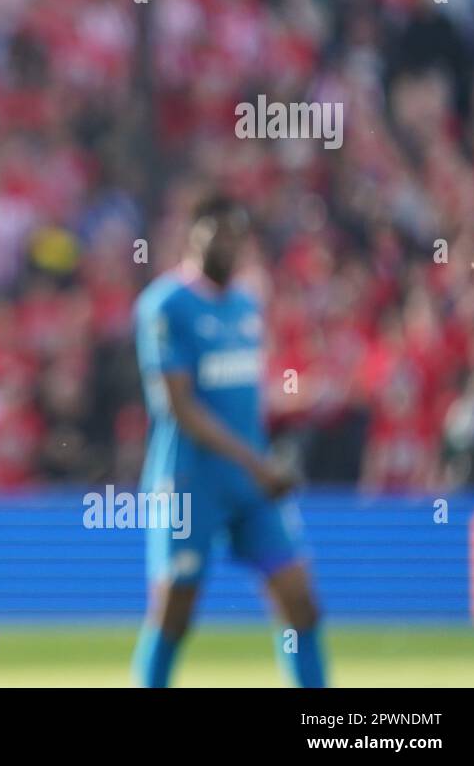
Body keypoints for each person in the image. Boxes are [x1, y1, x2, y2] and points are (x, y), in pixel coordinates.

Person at [131, 192, 327, 687]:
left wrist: (291, 413)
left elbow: (240, 394)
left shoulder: (246, 304)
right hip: (190, 478)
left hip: (250, 479)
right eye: (216, 233)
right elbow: (179, 407)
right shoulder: (164, 305)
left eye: (236, 235)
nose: (228, 245)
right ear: (193, 236)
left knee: (300, 600)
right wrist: (257, 463)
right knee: (176, 609)